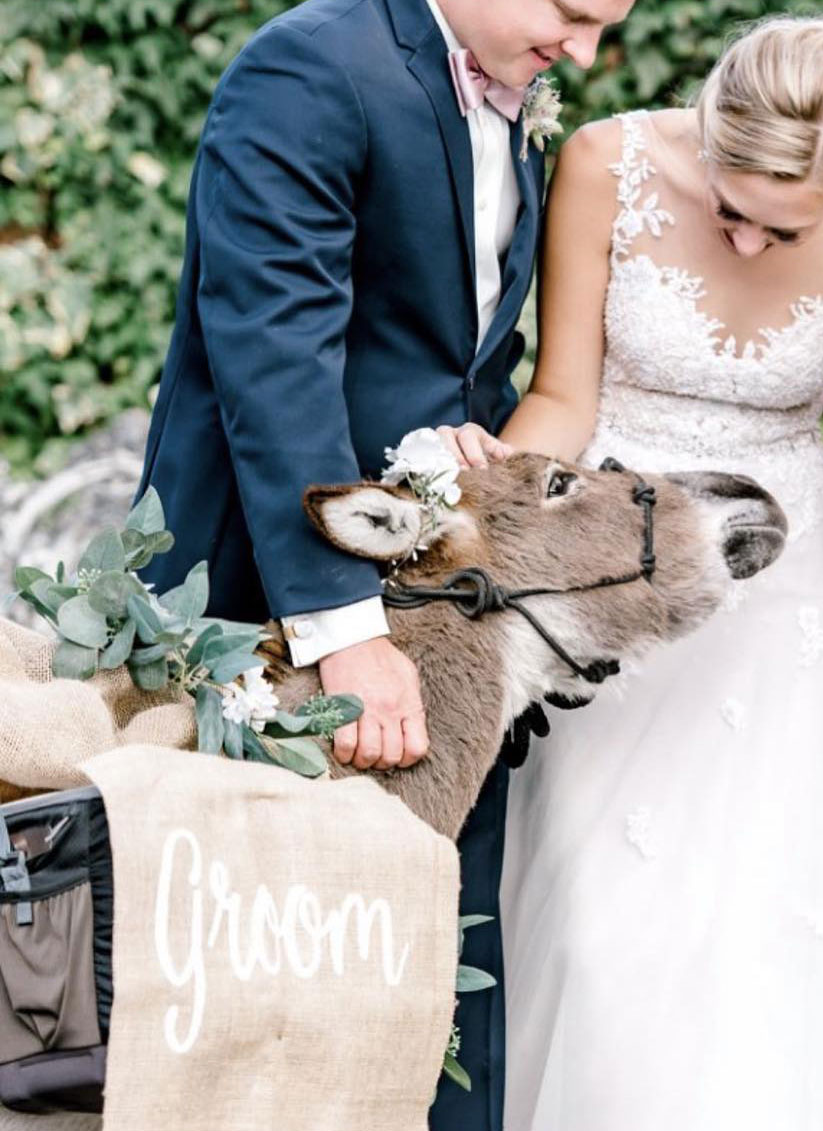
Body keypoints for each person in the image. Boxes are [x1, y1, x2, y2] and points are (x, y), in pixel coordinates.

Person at [438, 15, 823, 1128]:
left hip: (781, 596)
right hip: (609, 578)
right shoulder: (607, 163)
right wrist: (490, 493)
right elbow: (565, 396)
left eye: (783, 232)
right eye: (731, 210)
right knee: (597, 919)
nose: (744, 243)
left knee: (764, 927)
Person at [131, 1, 631, 1127]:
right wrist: (345, 628)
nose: (588, 51)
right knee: (244, 977)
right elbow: (274, 359)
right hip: (266, 609)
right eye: (573, 11)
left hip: (448, 617)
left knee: (441, 958)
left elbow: (451, 368)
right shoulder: (311, 69)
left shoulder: (515, 91)